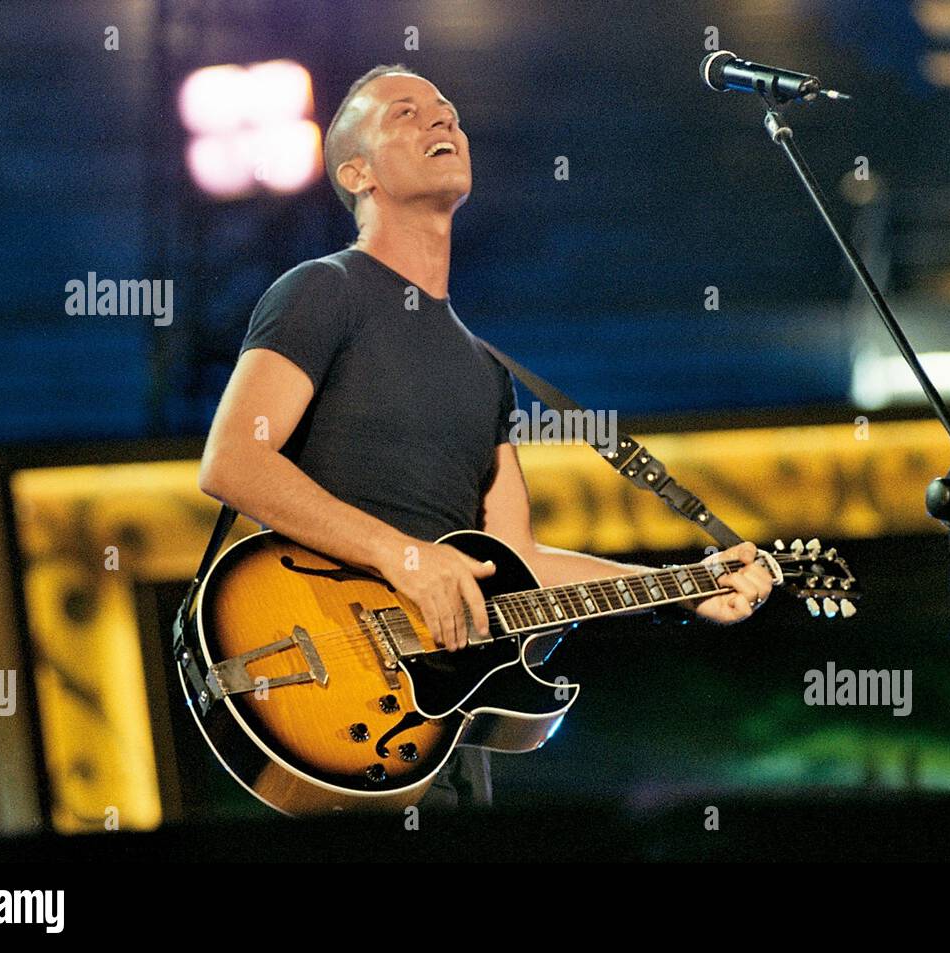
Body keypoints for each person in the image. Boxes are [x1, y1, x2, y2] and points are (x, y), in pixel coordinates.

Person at [197, 63, 773, 809]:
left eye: (448, 111)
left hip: (439, 735)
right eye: (407, 113)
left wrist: (685, 587)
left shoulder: (484, 369)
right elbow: (233, 459)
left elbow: (521, 563)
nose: (442, 121)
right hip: (328, 688)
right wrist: (405, 558)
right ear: (357, 172)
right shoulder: (322, 290)